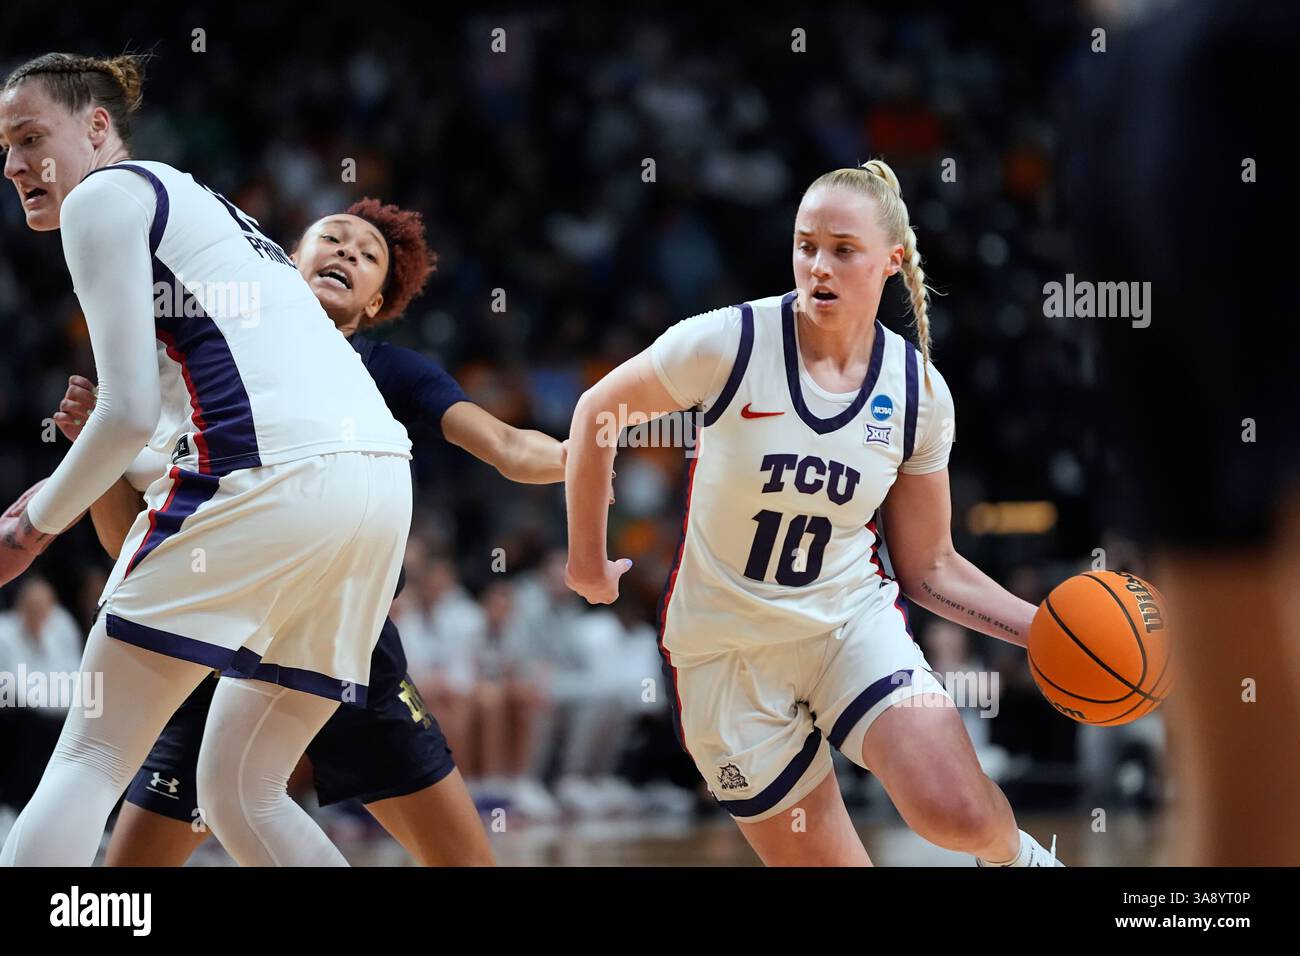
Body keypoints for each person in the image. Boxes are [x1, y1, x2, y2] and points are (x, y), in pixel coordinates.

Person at [564, 160, 1062, 866]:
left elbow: (932, 567)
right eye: (806, 246)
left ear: (890, 262)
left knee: (959, 815)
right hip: (724, 654)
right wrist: (587, 558)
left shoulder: (918, 392)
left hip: (847, 628)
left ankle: (1023, 861)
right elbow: (596, 413)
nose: (818, 266)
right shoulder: (728, 343)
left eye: (842, 250)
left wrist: (1039, 631)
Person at [52, 198, 567, 865]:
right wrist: (105, 452)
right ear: (283, 264)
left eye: (368, 255)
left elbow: (504, 443)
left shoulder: (389, 371)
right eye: (333, 239)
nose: (348, 252)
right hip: (208, 647)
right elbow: (131, 546)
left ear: (379, 302)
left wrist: (588, 447)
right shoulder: (203, 365)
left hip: (341, 639)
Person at [0, 52, 411, 866]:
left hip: (279, 475)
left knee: (90, 757)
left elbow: (123, 415)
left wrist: (32, 524)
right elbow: (175, 415)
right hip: (377, 490)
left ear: (95, 127)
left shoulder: (104, 198)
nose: (13, 164)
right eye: (3, 147)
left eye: (29, 137)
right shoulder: (205, 210)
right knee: (243, 789)